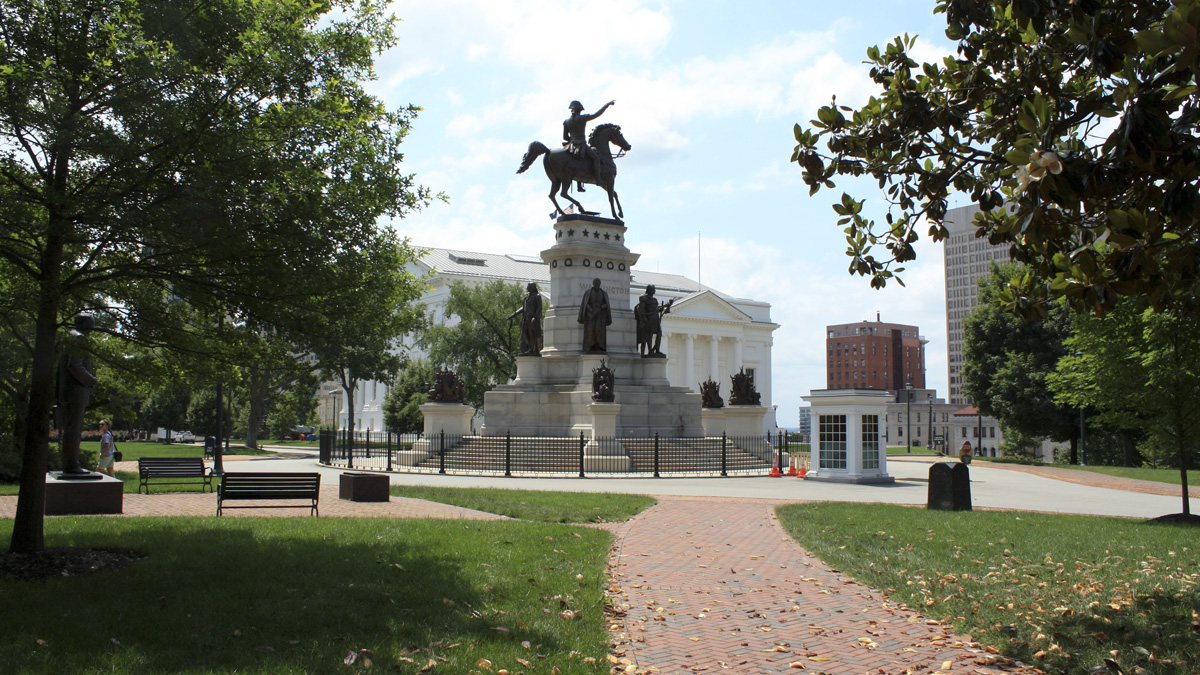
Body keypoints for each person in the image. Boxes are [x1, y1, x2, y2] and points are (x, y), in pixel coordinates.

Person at [57, 313, 98, 474]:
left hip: (68, 392)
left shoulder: (70, 337)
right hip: (75, 392)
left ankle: (70, 463)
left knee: (71, 430)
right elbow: (74, 366)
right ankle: (72, 465)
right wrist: (91, 380)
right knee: (74, 430)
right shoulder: (78, 338)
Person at [563, 100, 615, 191]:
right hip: (581, 144)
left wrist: (572, 139)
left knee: (578, 160)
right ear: (579, 110)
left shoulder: (566, 122)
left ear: (571, 109)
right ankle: (598, 180)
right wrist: (606, 105)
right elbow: (596, 114)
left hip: (570, 146)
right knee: (595, 158)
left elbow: (565, 137)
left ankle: (579, 185)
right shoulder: (582, 118)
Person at [634, 285, 674, 357]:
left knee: (659, 333)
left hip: (655, 319)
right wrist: (644, 318)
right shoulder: (644, 299)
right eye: (654, 289)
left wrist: (663, 308)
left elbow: (656, 309)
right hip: (649, 318)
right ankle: (650, 351)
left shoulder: (654, 300)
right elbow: (642, 310)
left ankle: (657, 349)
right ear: (650, 290)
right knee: (650, 334)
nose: (655, 291)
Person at [507, 283, 544, 356]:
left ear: (532, 287)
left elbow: (539, 307)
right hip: (526, 318)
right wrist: (513, 315)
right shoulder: (527, 297)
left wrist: (535, 317)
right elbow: (523, 308)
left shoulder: (537, 296)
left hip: (531, 318)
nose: (527, 288)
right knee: (524, 334)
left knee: (531, 333)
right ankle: (529, 348)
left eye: (528, 287)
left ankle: (532, 350)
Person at [577, 278, 612, 352]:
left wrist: (601, 306)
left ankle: (598, 346)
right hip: (590, 316)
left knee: (599, 331)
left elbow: (607, 305)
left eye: (598, 283)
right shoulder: (588, 292)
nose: (597, 285)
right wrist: (591, 310)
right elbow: (586, 304)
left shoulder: (603, 293)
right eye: (596, 283)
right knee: (590, 331)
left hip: (600, 316)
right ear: (593, 284)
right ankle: (589, 346)